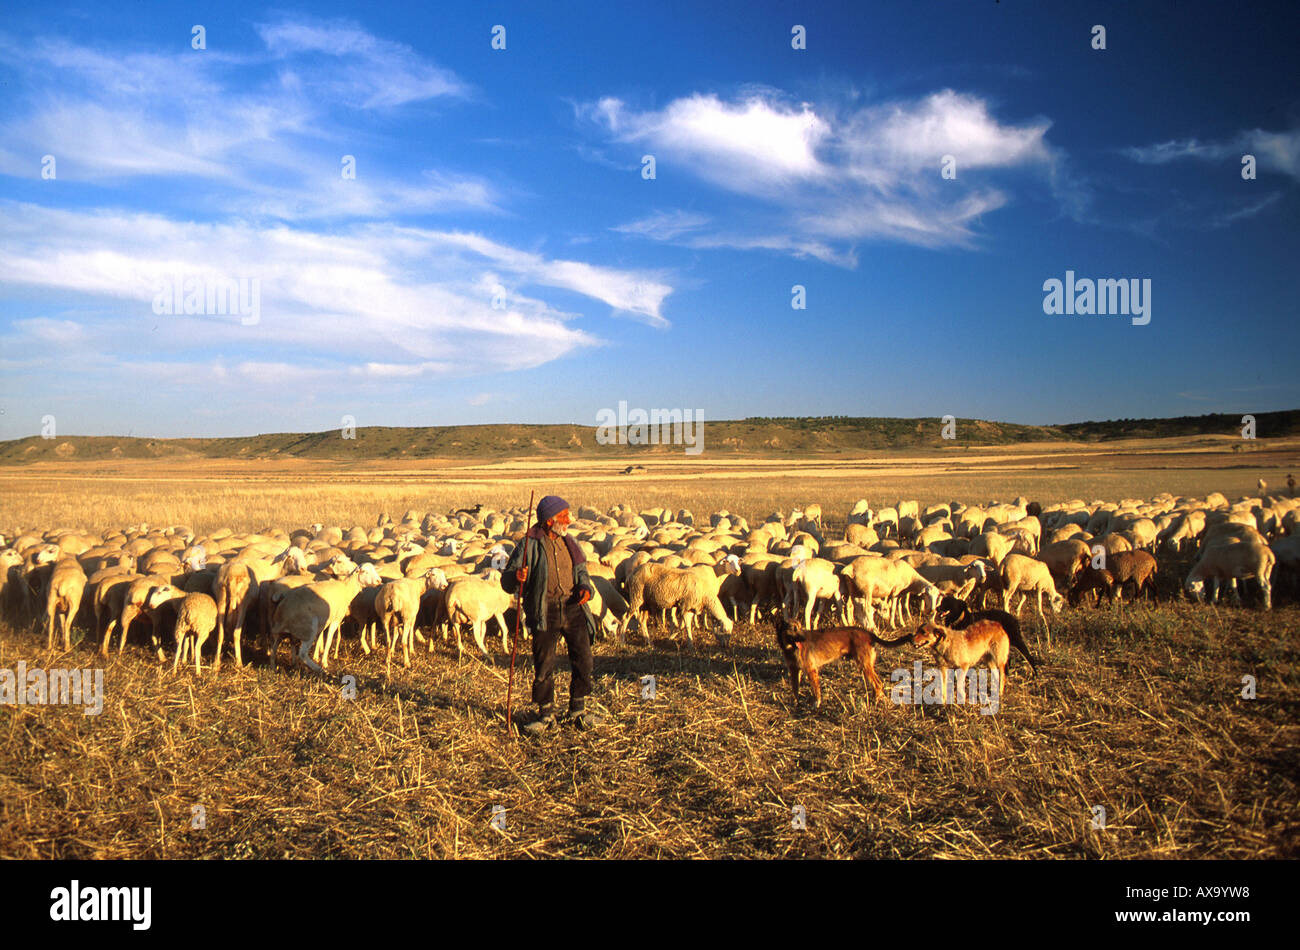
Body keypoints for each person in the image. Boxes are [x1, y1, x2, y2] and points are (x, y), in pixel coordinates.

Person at [501, 495, 604, 735]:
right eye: (564, 516)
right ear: (549, 520)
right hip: (544, 610)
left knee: (584, 660)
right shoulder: (529, 544)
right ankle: (546, 714)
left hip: (573, 607)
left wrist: (585, 588)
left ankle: (578, 709)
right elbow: (508, 579)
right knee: (544, 664)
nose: (569, 520)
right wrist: (516, 578)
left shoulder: (571, 543)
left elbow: (581, 571)